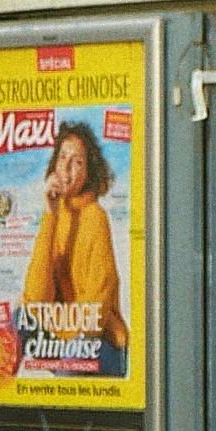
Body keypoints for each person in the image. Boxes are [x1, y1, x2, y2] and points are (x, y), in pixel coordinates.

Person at [17, 118, 126, 378]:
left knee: (75, 355)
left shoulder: (96, 218)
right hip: (62, 334)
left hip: (103, 343)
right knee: (16, 319)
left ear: (89, 173)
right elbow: (35, 298)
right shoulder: (55, 215)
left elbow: (96, 314)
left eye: (77, 162)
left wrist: (60, 335)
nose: (66, 167)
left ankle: (63, 395)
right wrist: (50, 215)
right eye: (62, 157)